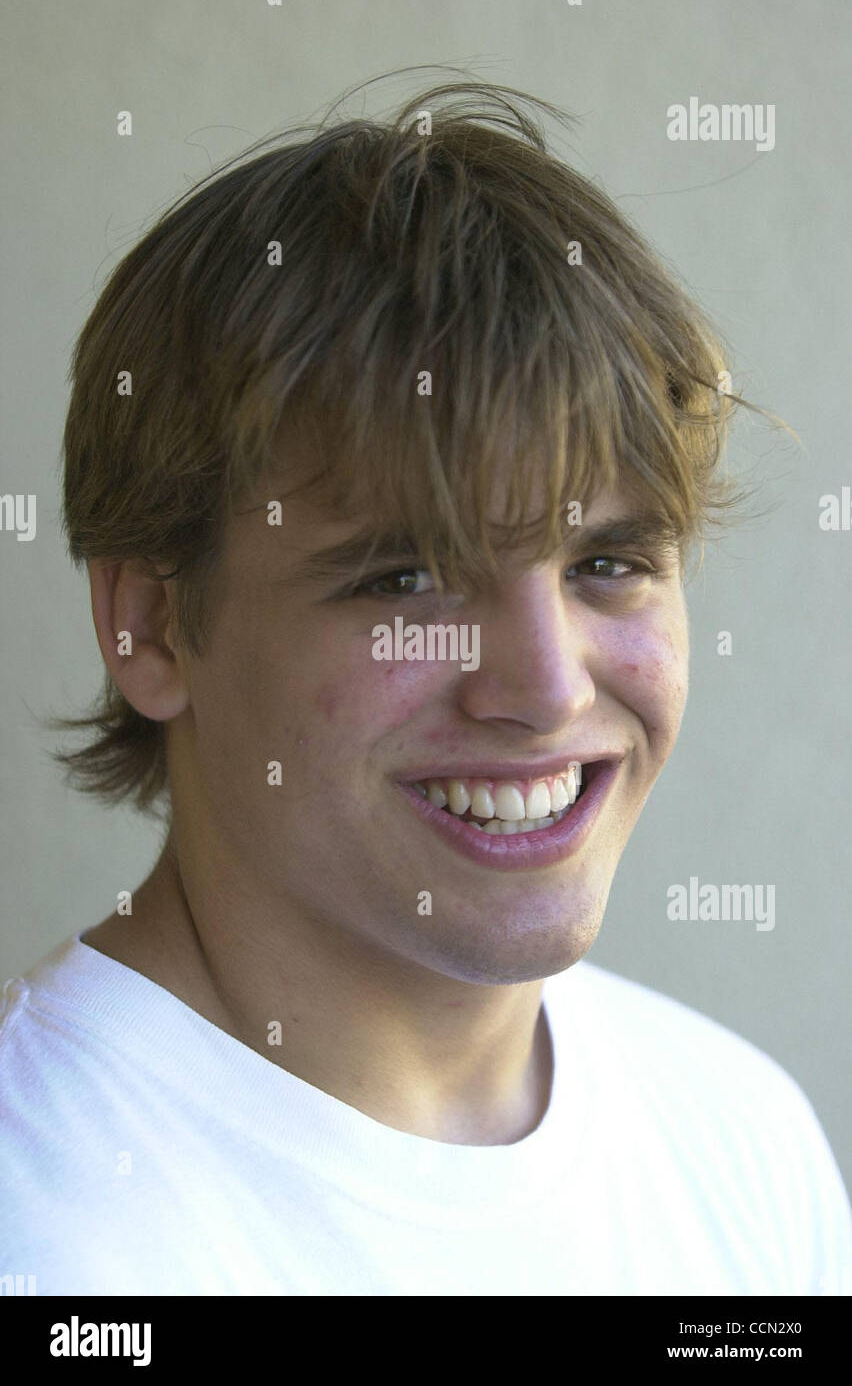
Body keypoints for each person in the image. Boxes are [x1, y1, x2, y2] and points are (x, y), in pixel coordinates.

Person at [1, 76, 850, 1296]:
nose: (548, 688)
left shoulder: (744, 1140)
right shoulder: (42, 1228)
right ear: (152, 623)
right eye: (409, 578)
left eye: (607, 562)